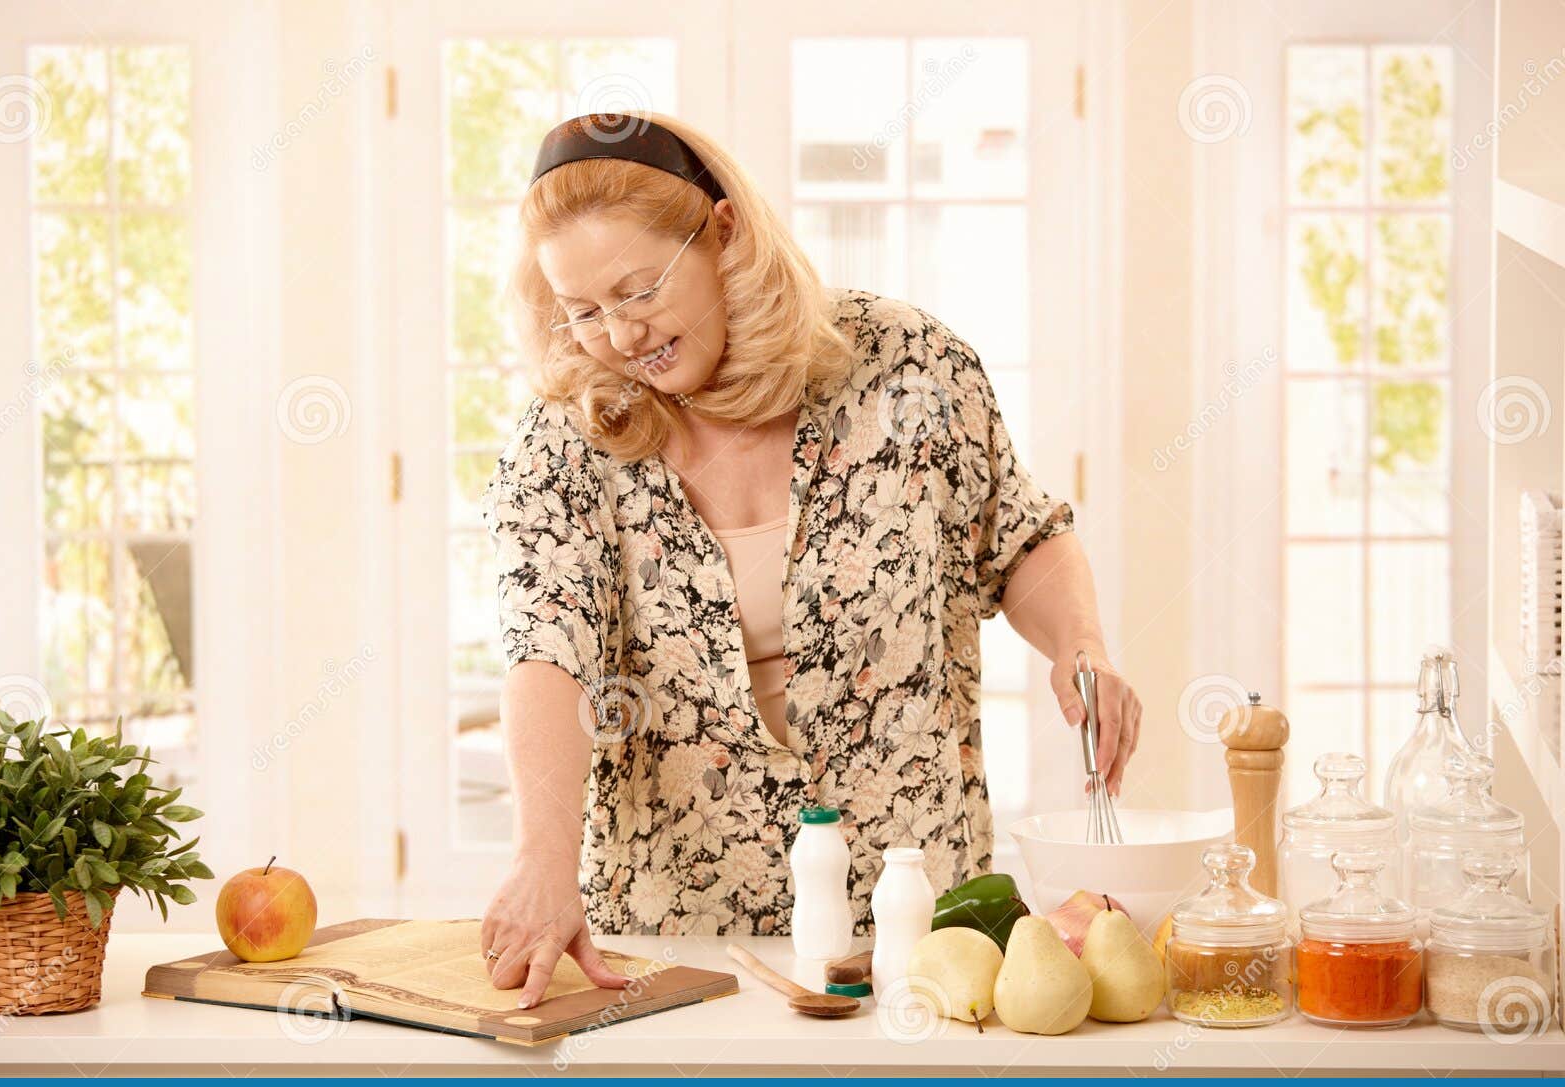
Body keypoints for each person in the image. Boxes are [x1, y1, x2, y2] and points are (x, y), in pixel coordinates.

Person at [480, 111, 1141, 1007]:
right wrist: (541, 859)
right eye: (584, 312)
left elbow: (1018, 537)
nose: (622, 336)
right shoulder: (566, 439)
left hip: (917, 919)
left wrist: (1081, 645)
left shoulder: (909, 367)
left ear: (723, 232)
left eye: (639, 292)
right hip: (676, 929)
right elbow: (546, 649)